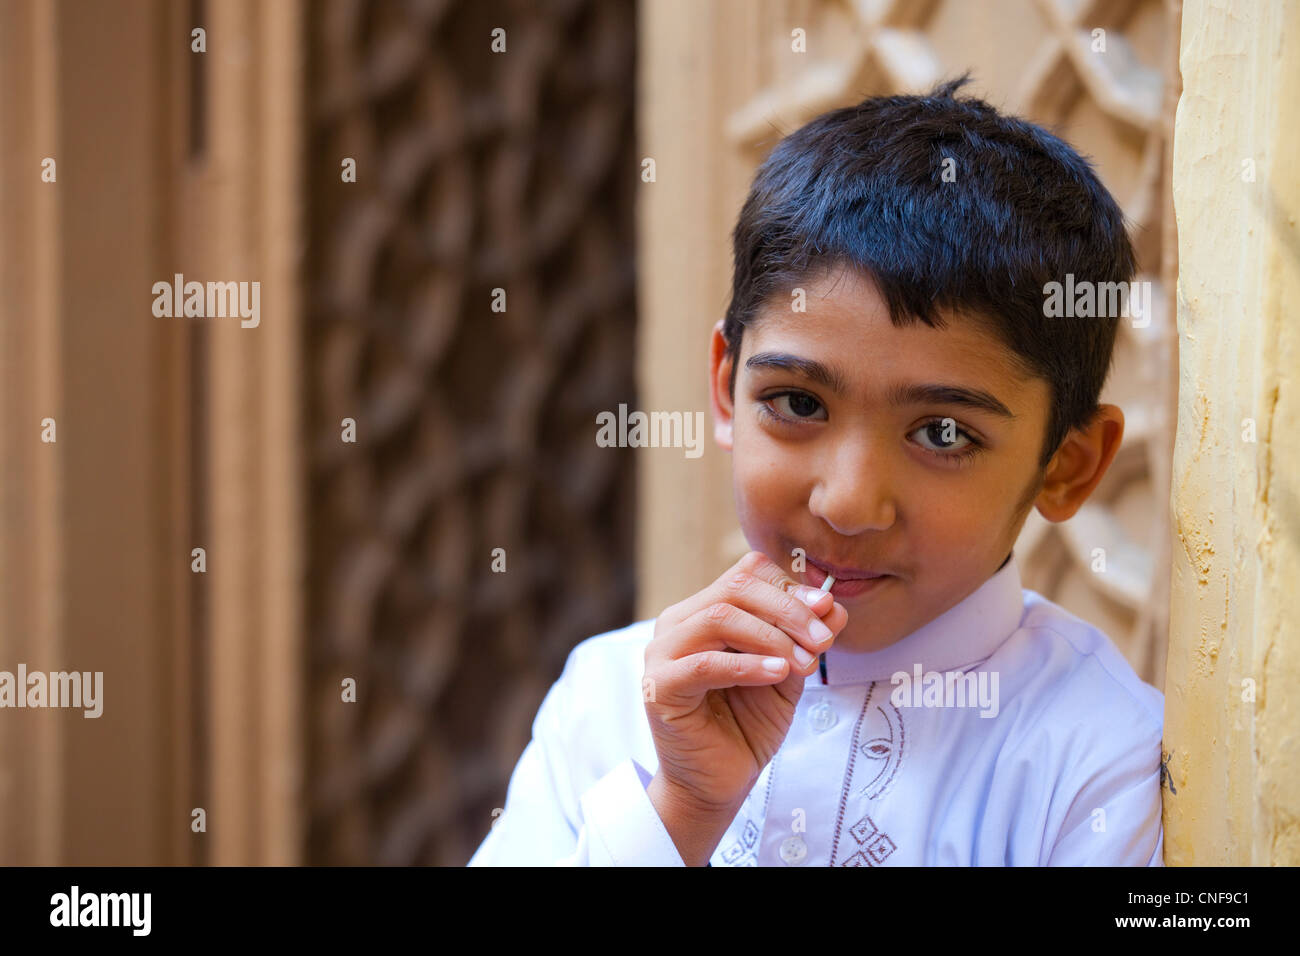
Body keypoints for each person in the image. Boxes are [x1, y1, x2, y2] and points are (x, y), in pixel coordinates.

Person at [468, 74, 1164, 866]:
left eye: (942, 432)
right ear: (727, 385)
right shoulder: (609, 700)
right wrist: (680, 812)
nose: (847, 502)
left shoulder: (1098, 757)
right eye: (798, 404)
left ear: (1068, 467)